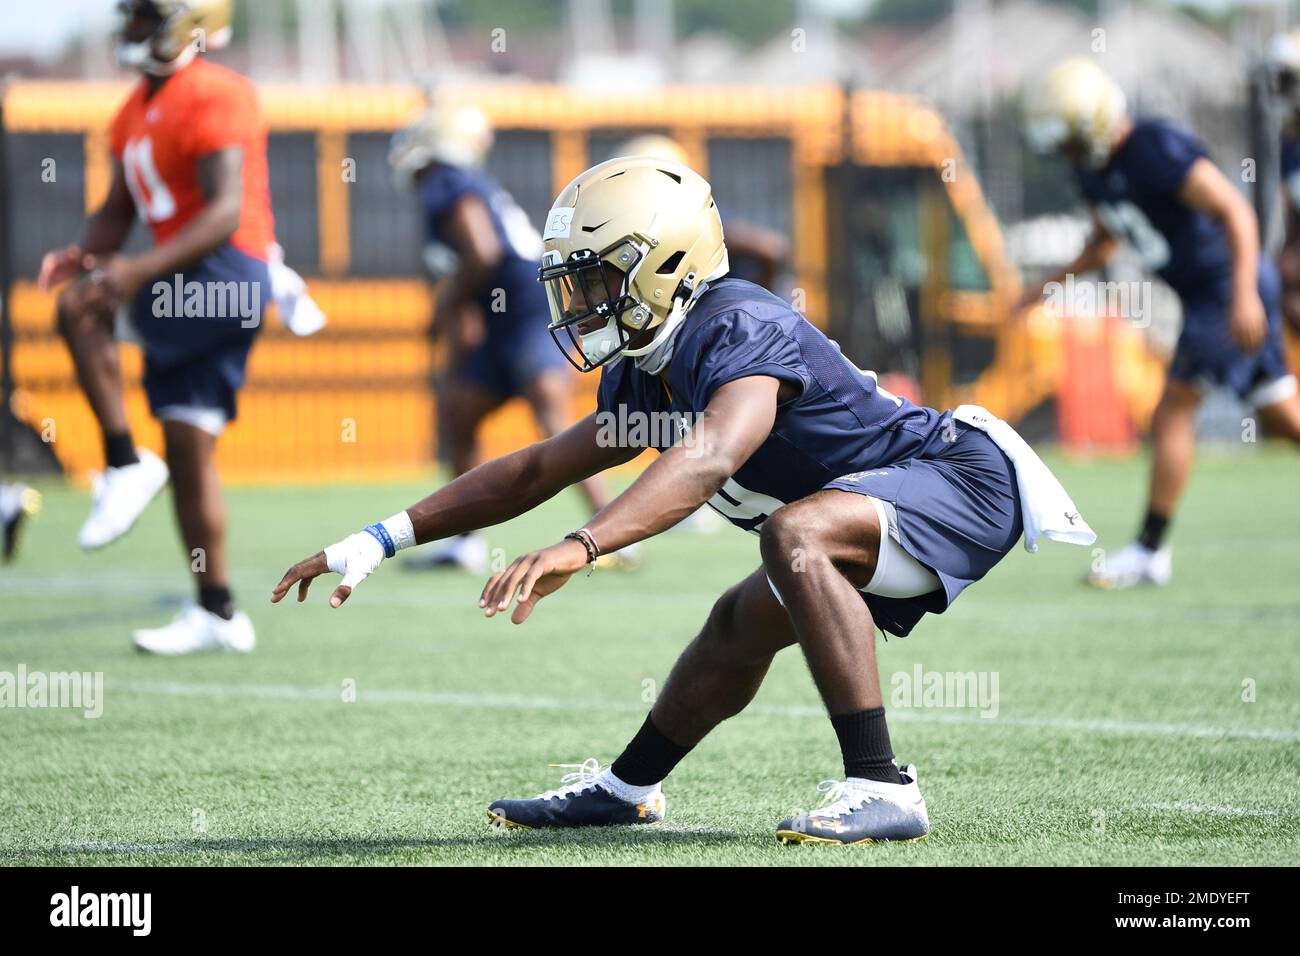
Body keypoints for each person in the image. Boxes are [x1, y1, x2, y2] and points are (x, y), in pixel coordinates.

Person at [273, 156, 1091, 844]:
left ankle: (884, 787)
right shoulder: (649, 360)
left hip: (958, 478)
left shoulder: (736, 325)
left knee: (795, 535)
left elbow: (711, 456)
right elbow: (535, 469)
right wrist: (380, 537)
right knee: (738, 622)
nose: (580, 301)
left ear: (661, 264)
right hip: (868, 501)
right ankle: (627, 791)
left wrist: (584, 544)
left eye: (595, 277)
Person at [38, 0, 270, 653]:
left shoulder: (218, 92)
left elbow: (224, 211)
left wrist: (131, 272)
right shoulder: (133, 109)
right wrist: (84, 254)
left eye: (144, 15)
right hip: (187, 277)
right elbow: (117, 210)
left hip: (221, 276)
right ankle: (219, 613)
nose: (131, 28)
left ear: (183, 22)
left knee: (80, 308)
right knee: (190, 448)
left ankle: (121, 461)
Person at [1023, 57, 1300, 590]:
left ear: (1099, 124)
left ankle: (1149, 551)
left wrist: (1244, 294)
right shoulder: (1096, 169)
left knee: (1173, 409)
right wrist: (1043, 286)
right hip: (1208, 295)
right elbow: (1104, 240)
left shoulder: (1156, 148)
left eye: (1073, 143)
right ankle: (1148, 552)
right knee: (1284, 417)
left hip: (1225, 290)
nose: (1069, 157)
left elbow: (1236, 214)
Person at [388, 103, 631, 571]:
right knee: (461, 411)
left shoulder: (444, 179)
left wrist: (446, 306)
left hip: (523, 312)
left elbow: (482, 253)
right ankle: (464, 541)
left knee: (552, 417)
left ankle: (611, 532)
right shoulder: (461, 181)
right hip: (508, 315)